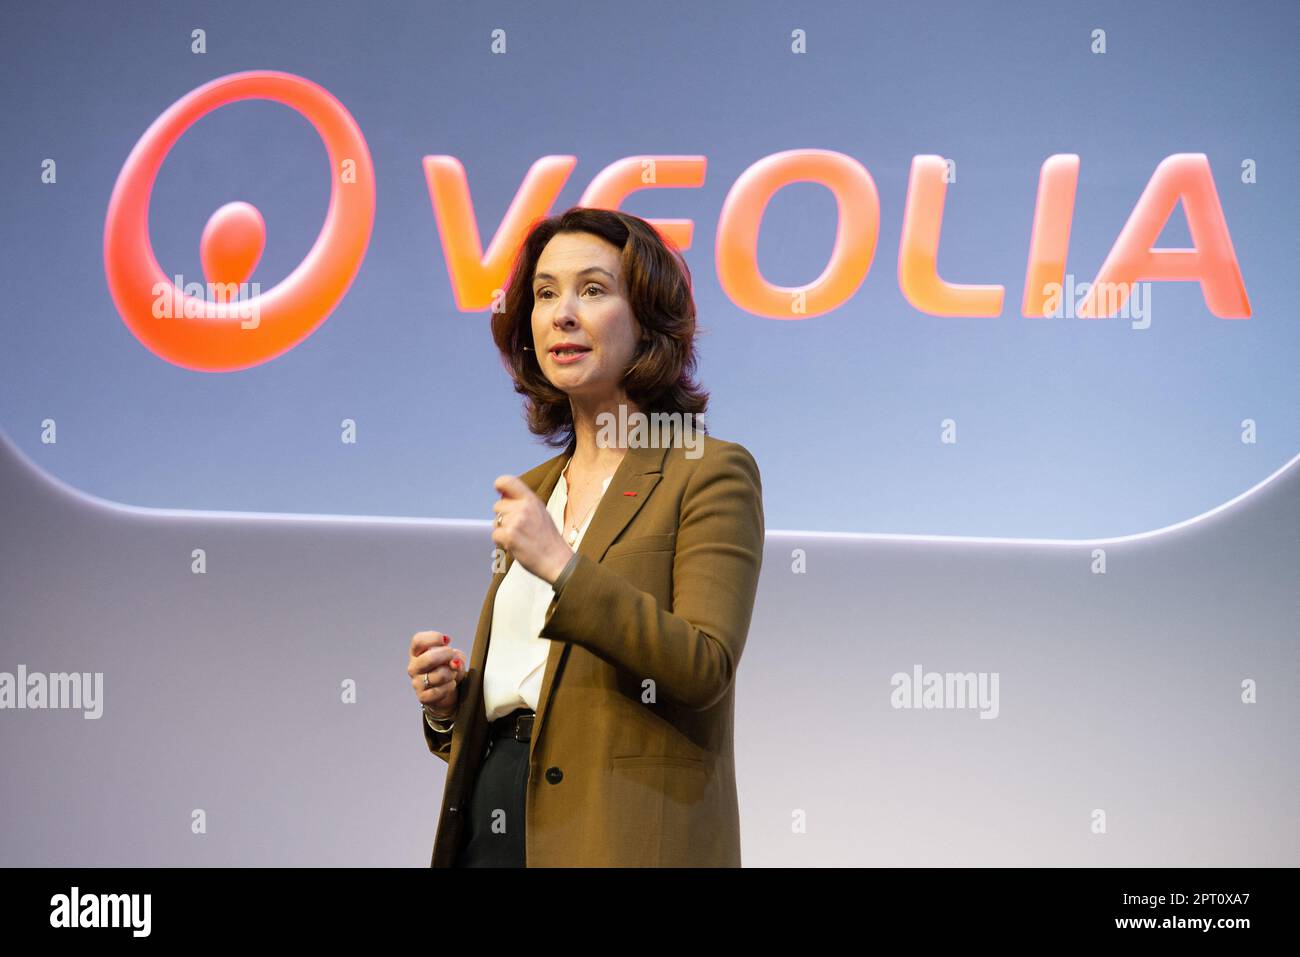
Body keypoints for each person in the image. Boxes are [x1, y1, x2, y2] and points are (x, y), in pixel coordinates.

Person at [406, 207, 764, 867]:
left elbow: (704, 665)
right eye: (545, 294)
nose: (561, 313)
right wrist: (453, 705)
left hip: (621, 832)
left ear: (648, 319)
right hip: (495, 816)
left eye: (592, 290)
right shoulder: (537, 485)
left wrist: (562, 565)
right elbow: (538, 684)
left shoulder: (709, 471)